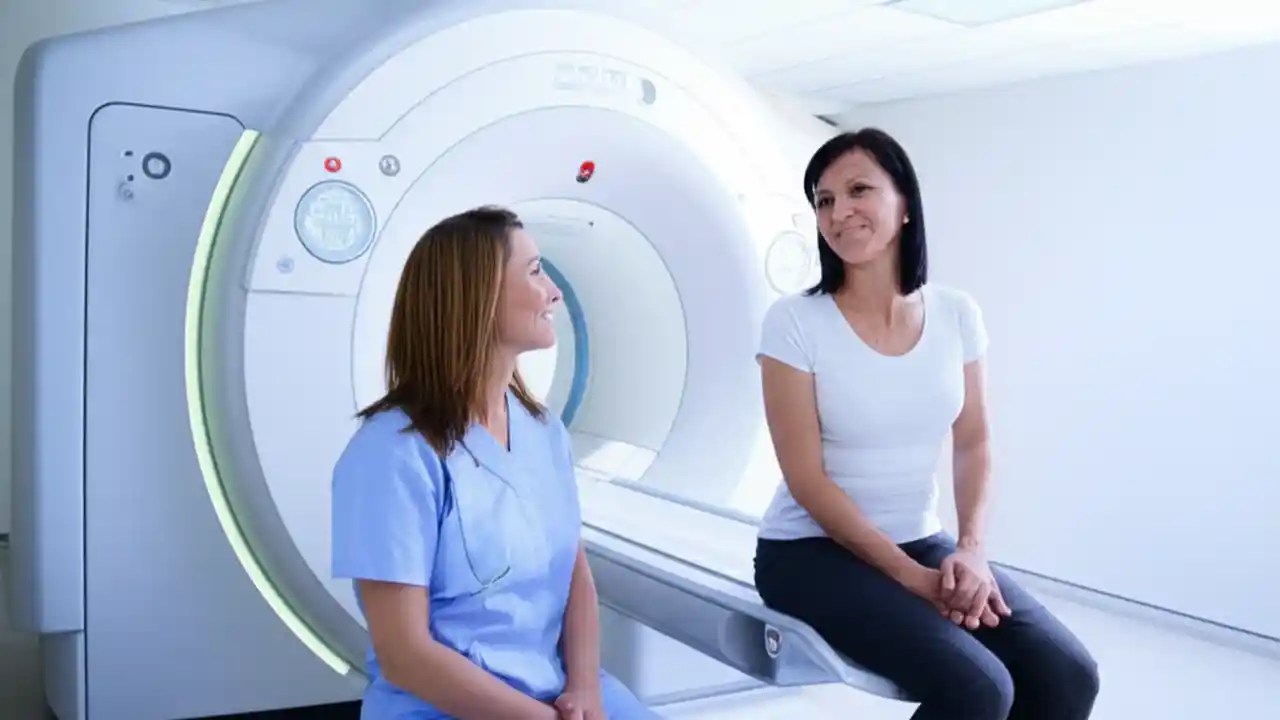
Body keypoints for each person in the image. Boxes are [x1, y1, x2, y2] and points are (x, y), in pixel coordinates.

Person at [752, 128, 1100, 720]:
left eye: (858, 189)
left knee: (1067, 675)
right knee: (978, 688)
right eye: (825, 199)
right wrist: (913, 579)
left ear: (905, 204)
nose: (839, 212)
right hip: (808, 553)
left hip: (921, 537)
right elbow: (807, 480)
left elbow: (974, 440)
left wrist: (970, 551)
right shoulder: (794, 323)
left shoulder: (956, 313)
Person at [330, 205, 657, 720]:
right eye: (534, 271)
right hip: (443, 707)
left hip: (555, 692)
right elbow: (404, 656)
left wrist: (585, 690)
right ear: (477, 295)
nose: (554, 291)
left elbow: (576, 577)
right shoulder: (392, 452)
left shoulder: (543, 430)